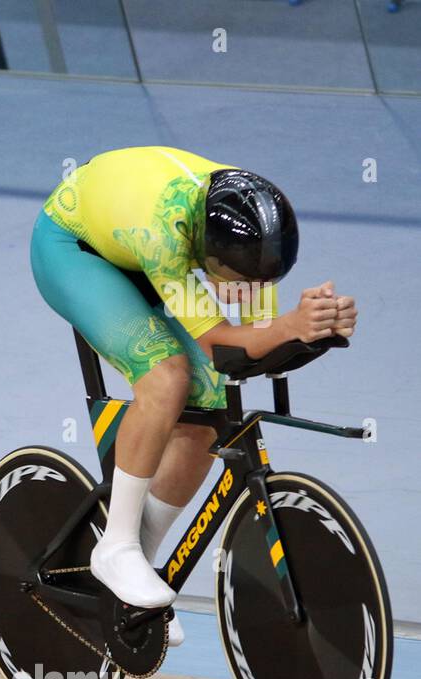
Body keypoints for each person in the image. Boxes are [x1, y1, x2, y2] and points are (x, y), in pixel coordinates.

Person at [30, 146, 355, 645]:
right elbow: (217, 339)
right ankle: (115, 548)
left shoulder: (251, 231)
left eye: (260, 282)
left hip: (139, 242)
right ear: (209, 255)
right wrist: (287, 324)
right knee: (166, 376)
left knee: (209, 399)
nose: (247, 289)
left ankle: (142, 557)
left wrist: (309, 330)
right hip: (73, 250)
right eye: (237, 280)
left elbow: (248, 345)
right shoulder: (165, 232)